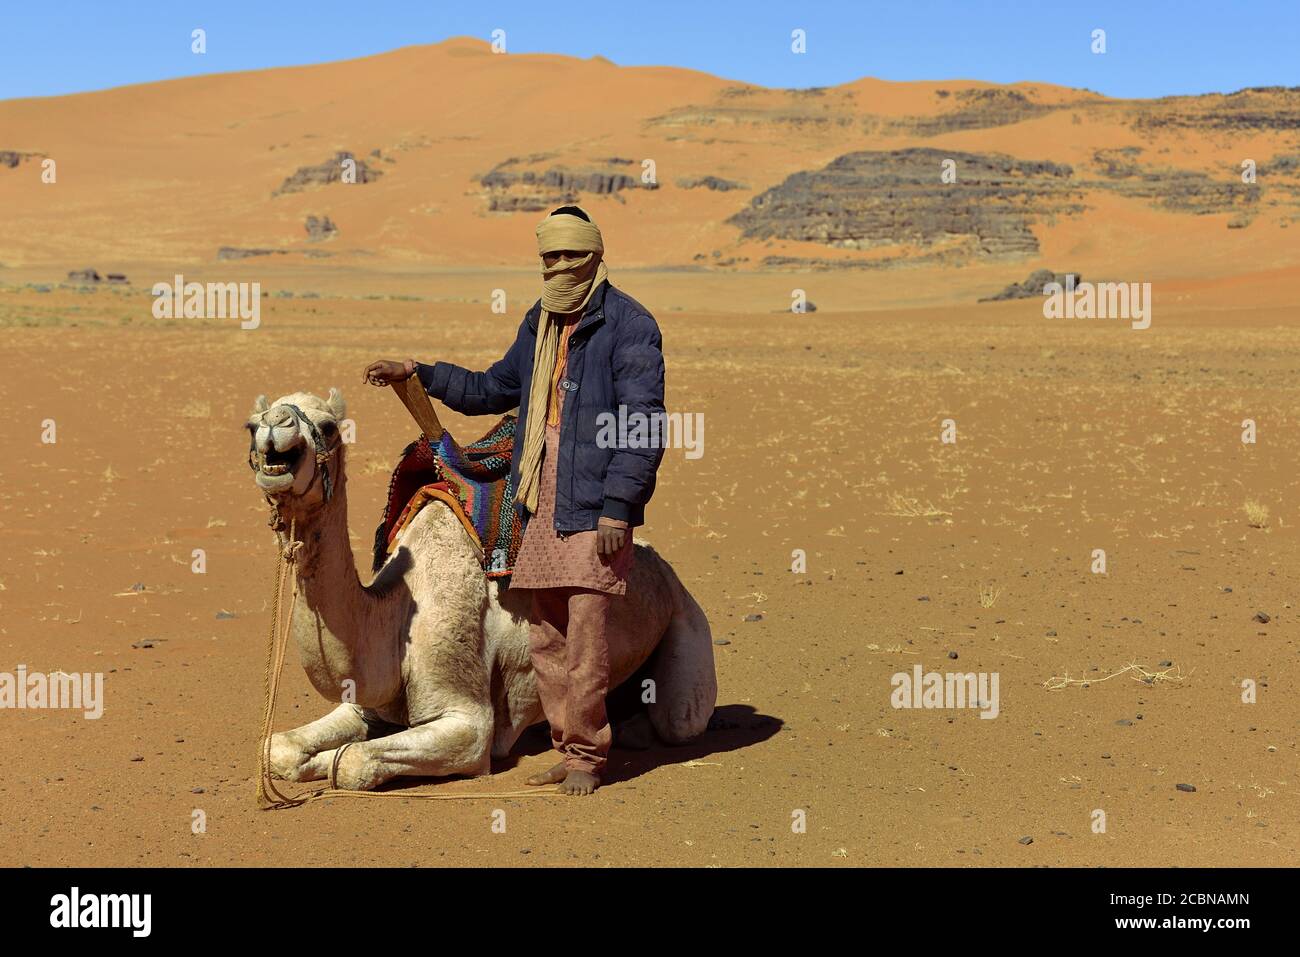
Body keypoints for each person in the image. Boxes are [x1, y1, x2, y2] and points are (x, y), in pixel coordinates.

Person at [363, 205, 665, 795]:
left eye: (569, 256)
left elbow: (643, 426)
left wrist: (617, 506)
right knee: (546, 637)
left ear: (595, 255)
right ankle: (564, 743)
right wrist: (420, 372)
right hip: (537, 495)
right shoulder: (540, 323)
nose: (558, 269)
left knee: (586, 635)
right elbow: (494, 389)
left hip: (594, 497)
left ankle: (587, 757)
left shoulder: (630, 325)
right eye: (547, 258)